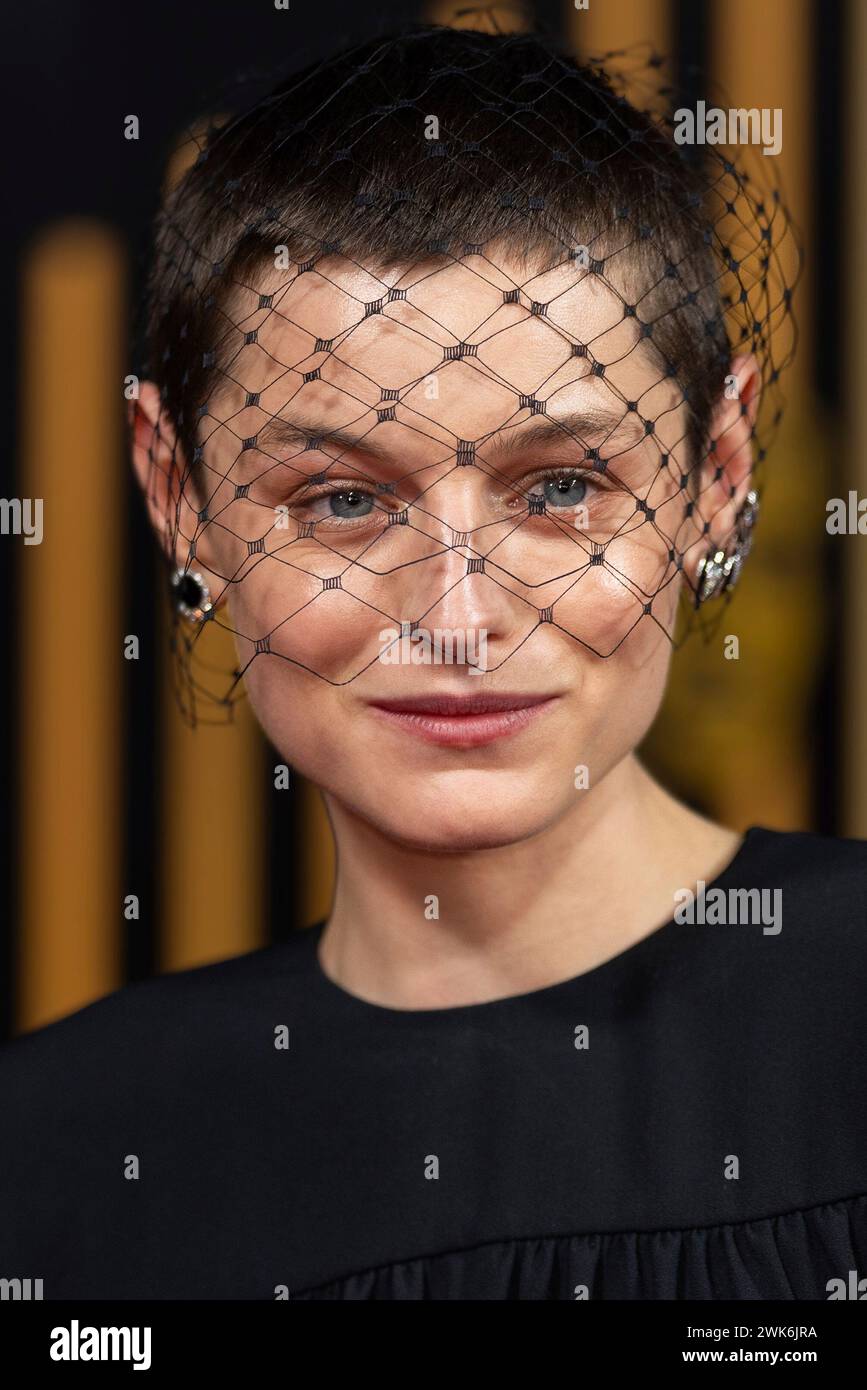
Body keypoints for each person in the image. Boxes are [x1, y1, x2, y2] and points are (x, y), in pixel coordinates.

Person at [1, 22, 865, 1301]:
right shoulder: (54, 1157)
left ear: (717, 478)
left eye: (563, 486)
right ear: (177, 493)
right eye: (343, 501)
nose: (459, 618)